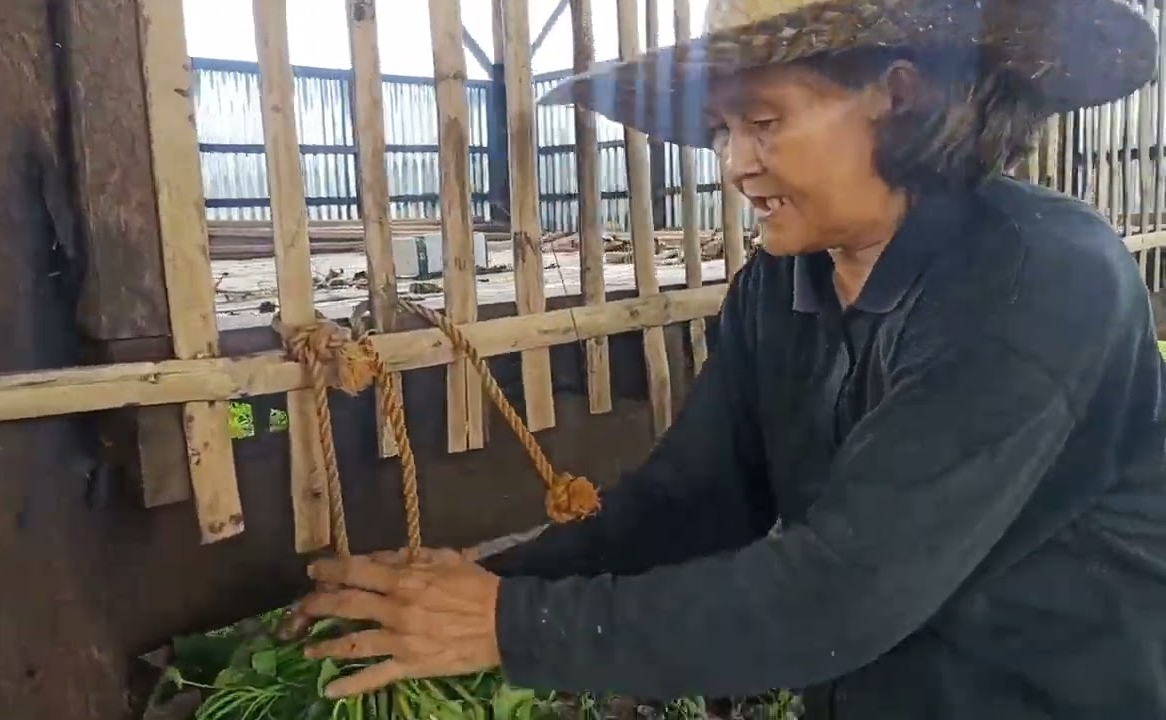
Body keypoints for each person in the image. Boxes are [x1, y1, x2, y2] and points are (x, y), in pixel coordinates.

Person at [280, 0, 1166, 716]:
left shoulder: (1036, 282)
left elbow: (843, 589)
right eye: (719, 132)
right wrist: (483, 586)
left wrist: (512, 626)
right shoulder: (780, 288)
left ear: (900, 96)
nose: (734, 165)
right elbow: (699, 500)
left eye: (764, 121)